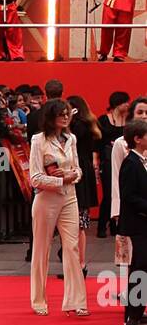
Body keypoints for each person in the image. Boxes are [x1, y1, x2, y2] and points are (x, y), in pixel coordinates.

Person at [29, 100, 87, 317]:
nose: (65, 118)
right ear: (50, 117)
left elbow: (78, 168)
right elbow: (35, 178)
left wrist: (73, 176)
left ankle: (76, 301)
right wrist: (61, 181)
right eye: (61, 114)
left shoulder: (71, 138)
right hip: (46, 199)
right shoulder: (38, 140)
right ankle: (38, 300)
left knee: (72, 248)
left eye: (67, 114)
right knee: (41, 248)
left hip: (70, 197)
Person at [68, 94, 100, 274]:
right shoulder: (89, 124)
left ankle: (79, 263)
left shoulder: (77, 126)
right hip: (83, 169)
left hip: (77, 171)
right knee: (79, 221)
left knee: (78, 221)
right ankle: (78, 262)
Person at [119, 118, 147, 325]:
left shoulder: (140, 161)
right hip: (136, 226)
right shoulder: (130, 163)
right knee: (138, 271)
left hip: (142, 224)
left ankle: (137, 311)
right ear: (138, 139)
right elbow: (128, 196)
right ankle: (132, 316)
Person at [97, 91, 130, 239]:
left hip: (126, 160)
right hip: (108, 159)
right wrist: (95, 160)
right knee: (108, 193)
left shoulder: (129, 120)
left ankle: (116, 224)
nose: (128, 105)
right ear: (117, 103)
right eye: (125, 102)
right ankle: (102, 225)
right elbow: (97, 141)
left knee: (122, 192)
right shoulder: (103, 120)